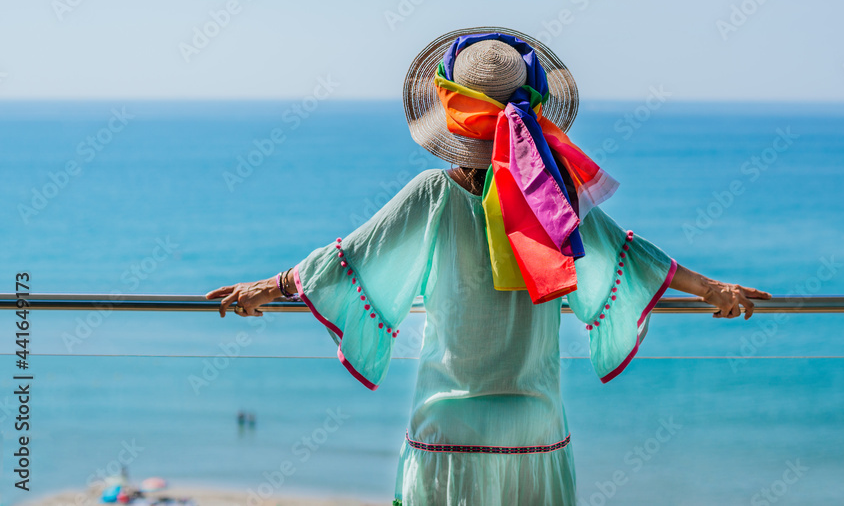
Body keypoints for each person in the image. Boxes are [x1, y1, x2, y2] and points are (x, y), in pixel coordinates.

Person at [206, 27, 771, 505]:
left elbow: (347, 260)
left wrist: (271, 287)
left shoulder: (432, 195)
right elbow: (632, 255)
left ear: (453, 118)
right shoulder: (555, 198)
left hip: (449, 428)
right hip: (536, 426)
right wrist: (714, 289)